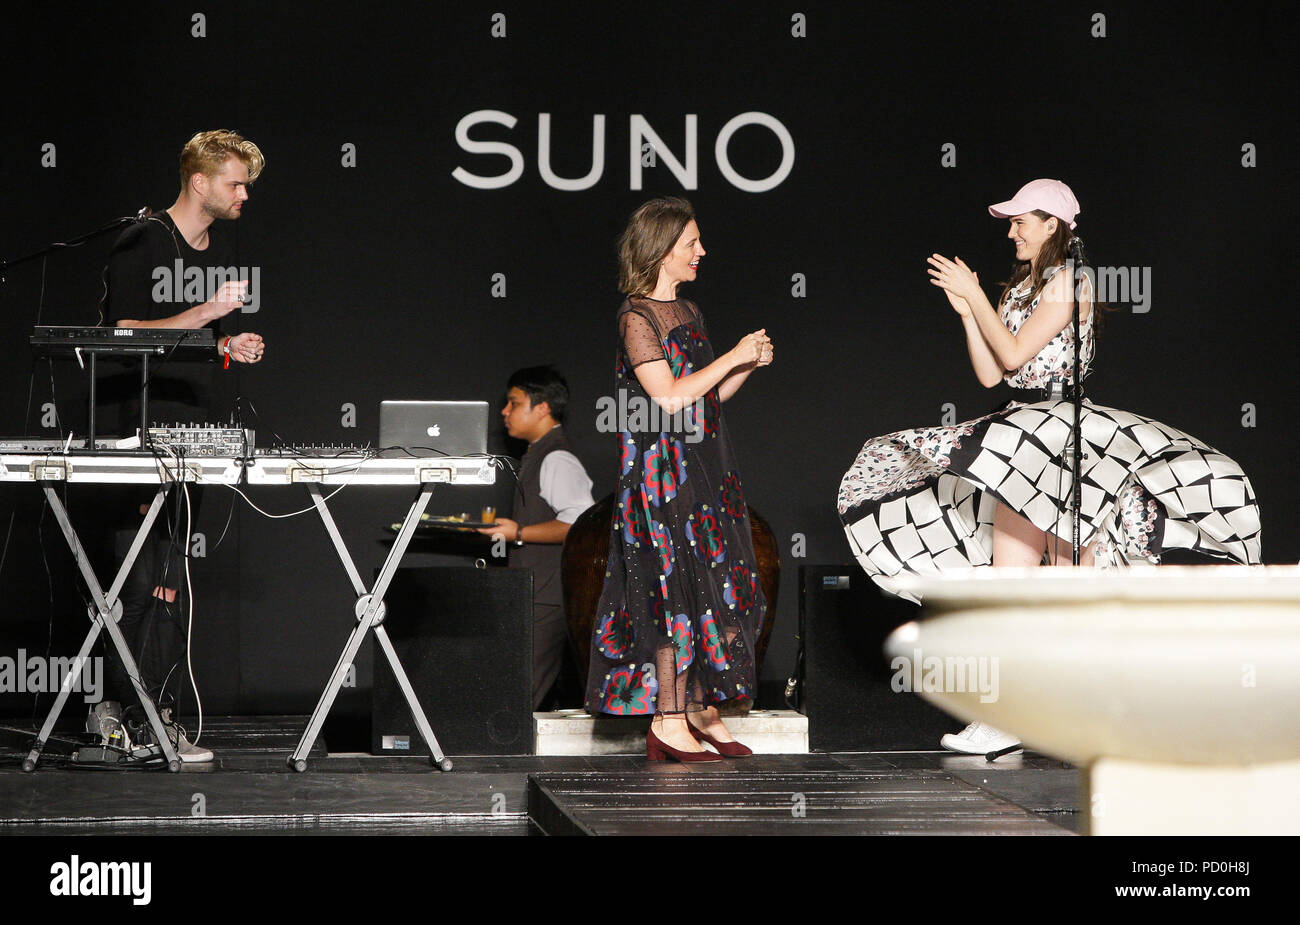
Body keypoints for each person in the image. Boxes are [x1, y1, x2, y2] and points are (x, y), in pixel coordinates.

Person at [837, 179, 1261, 757]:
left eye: (1021, 222)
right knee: (1008, 587)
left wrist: (977, 299)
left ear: (1052, 225)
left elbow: (1014, 353)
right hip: (1023, 436)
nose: (1011, 231)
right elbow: (994, 375)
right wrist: (968, 310)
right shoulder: (1019, 287)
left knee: (1074, 586)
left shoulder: (1072, 281)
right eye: (1010, 222)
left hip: (1064, 436)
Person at [91, 130, 268, 763]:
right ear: (200, 183)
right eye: (235, 183)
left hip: (186, 436)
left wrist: (225, 344)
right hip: (136, 433)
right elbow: (120, 332)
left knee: (169, 583)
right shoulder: (143, 239)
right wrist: (204, 315)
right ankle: (118, 715)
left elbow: (189, 339)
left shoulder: (213, 250)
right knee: (137, 585)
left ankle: (154, 716)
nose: (245, 193)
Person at [584, 197, 772, 762]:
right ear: (662, 248)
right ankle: (667, 718)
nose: (701, 251)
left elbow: (705, 400)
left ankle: (696, 706)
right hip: (658, 479)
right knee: (672, 593)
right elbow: (666, 398)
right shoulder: (635, 316)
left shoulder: (688, 312)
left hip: (703, 471)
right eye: (692, 242)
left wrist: (743, 366)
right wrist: (732, 355)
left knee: (712, 586)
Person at [476, 366, 596, 710]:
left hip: (546, 595)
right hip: (536, 593)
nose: (504, 411)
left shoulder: (557, 457)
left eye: (514, 403)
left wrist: (520, 532)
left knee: (521, 693)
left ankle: (501, 759)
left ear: (542, 407)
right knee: (517, 688)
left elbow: (579, 523)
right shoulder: (540, 454)